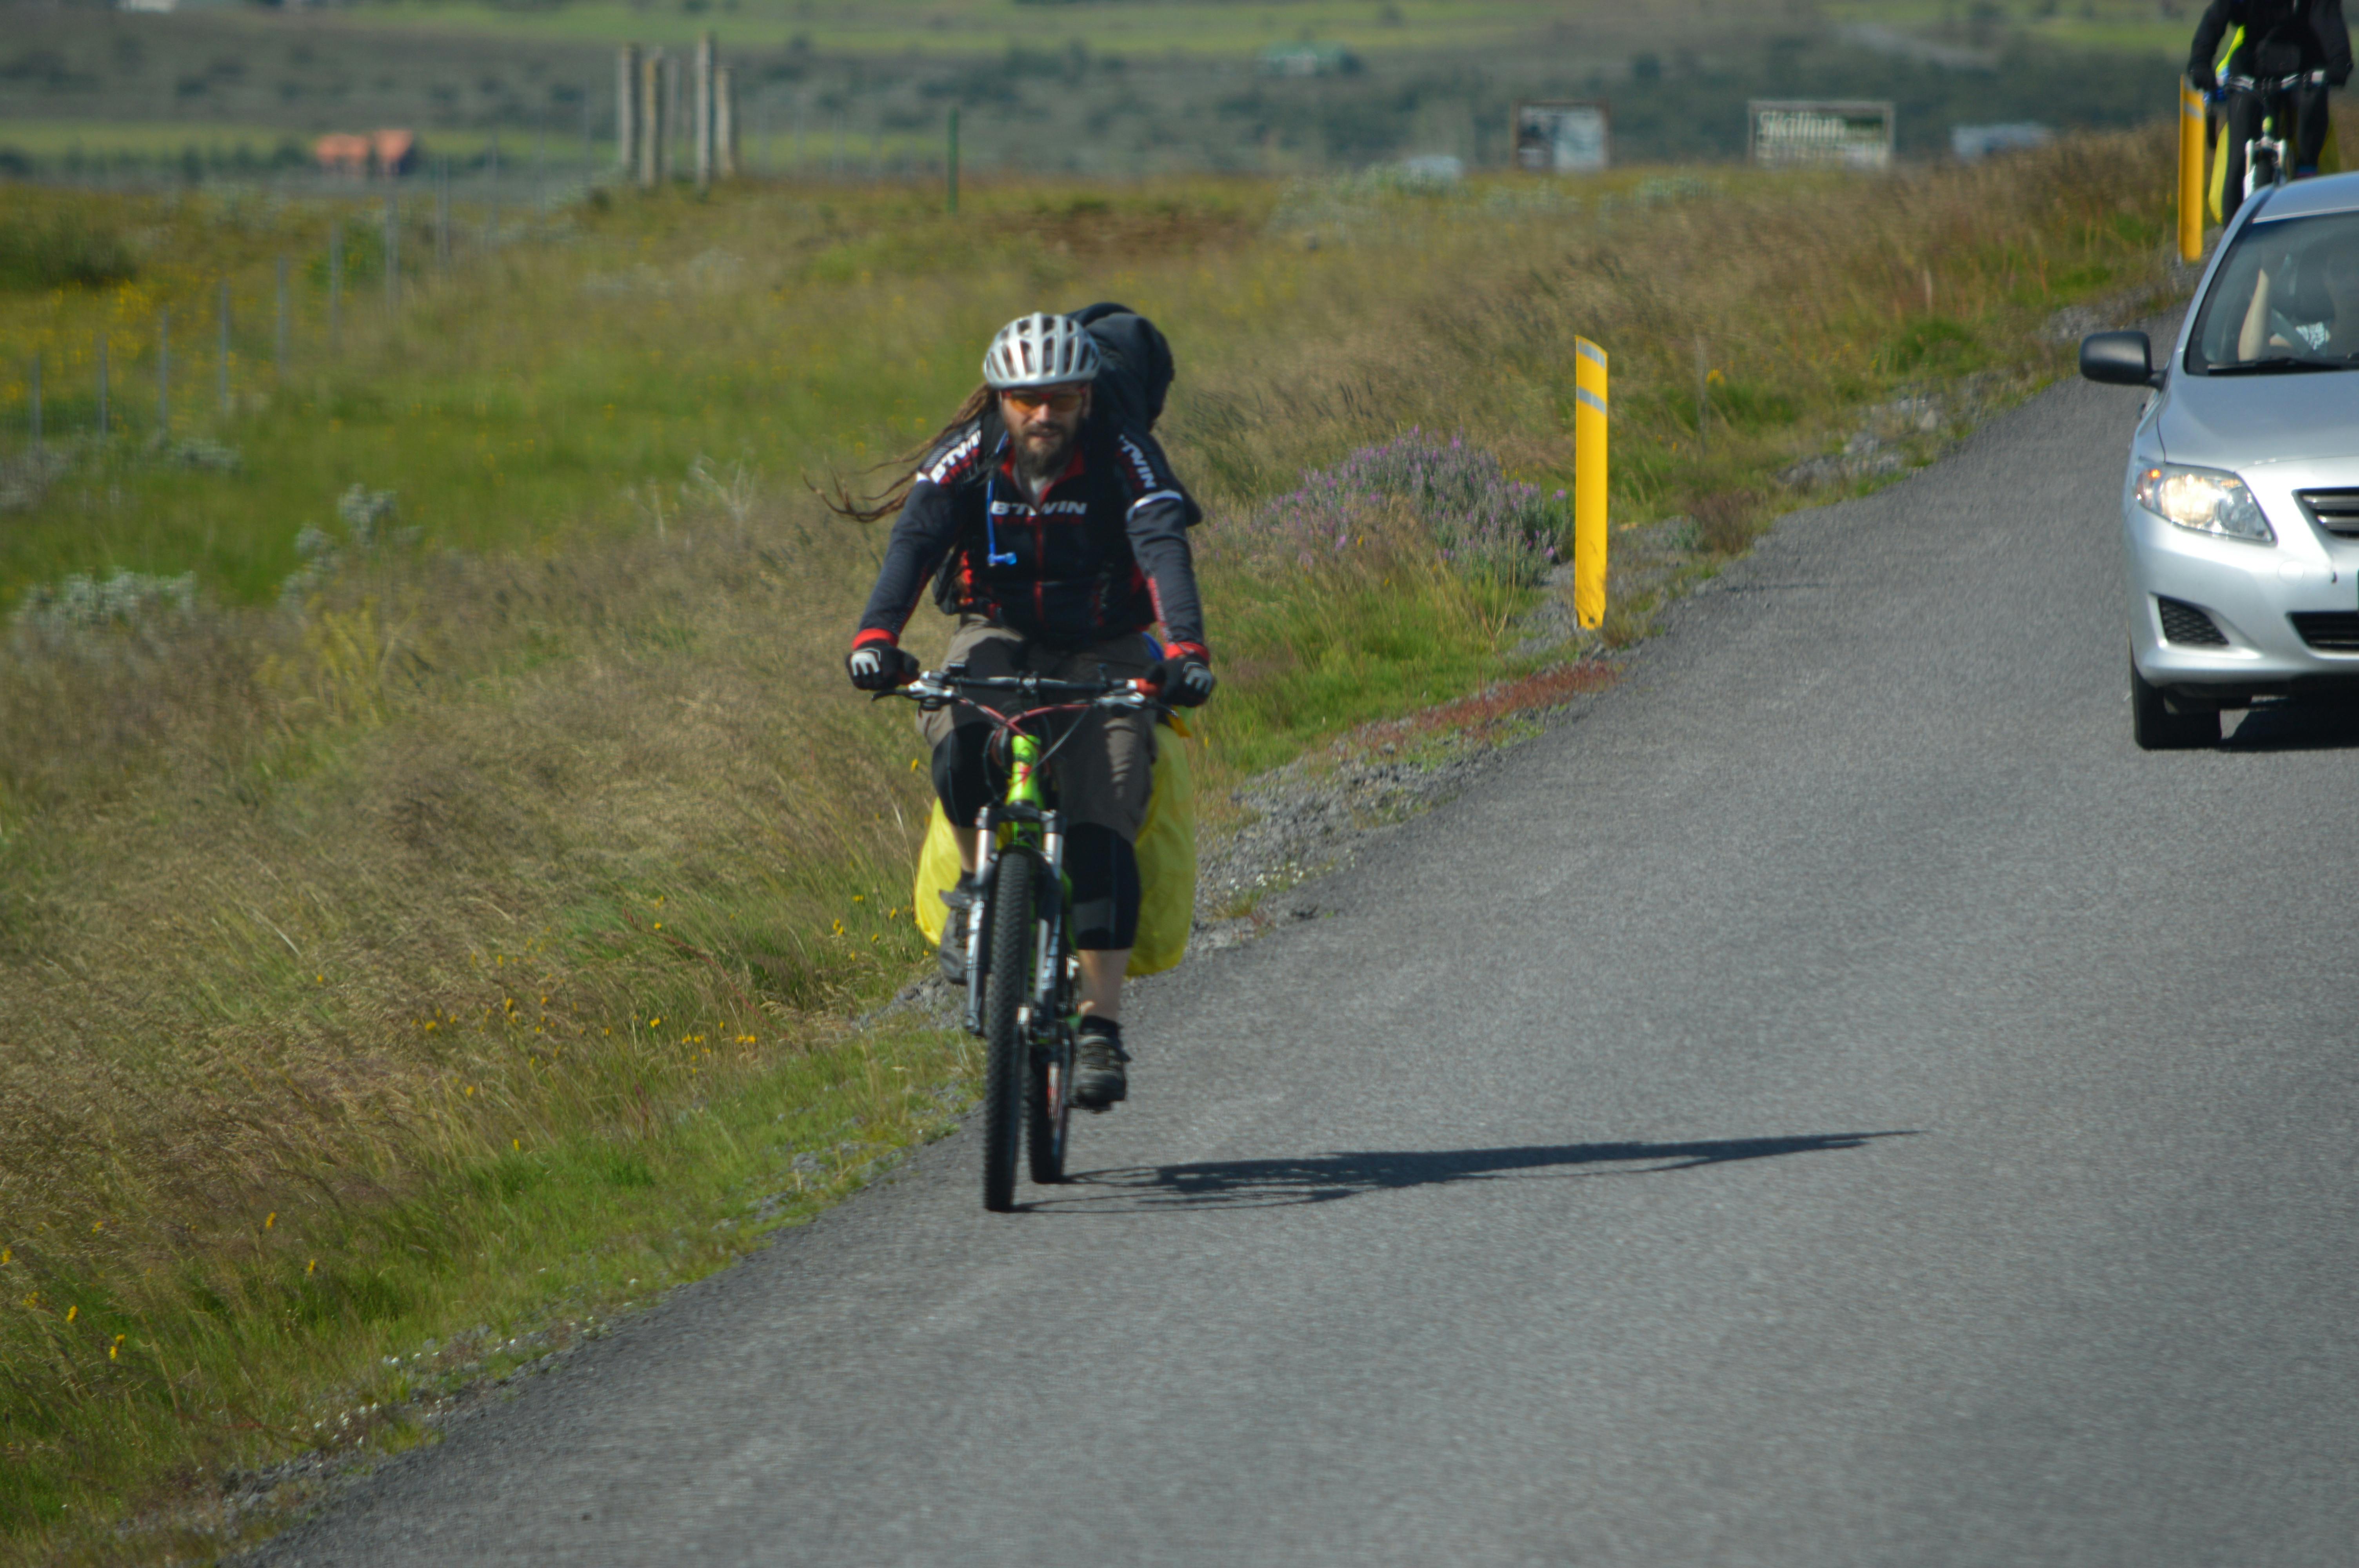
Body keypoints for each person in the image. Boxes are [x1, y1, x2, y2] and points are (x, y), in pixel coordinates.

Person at [841, 311, 1214, 1111]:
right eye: (1024, 400)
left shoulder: (1123, 452)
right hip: (995, 631)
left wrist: (1184, 648)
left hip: (1104, 642)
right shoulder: (971, 453)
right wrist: (877, 634)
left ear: (1085, 396)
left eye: (1060, 399)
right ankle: (979, 897)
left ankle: (1099, 1029)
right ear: (1000, 399)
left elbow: (1160, 546)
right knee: (958, 731)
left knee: (1105, 801)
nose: (1042, 414)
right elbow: (914, 539)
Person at [2190, 0, 2353, 220]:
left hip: (2303, 64)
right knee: (2237, 159)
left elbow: (2329, 22)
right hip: (2254, 65)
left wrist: (2340, 62)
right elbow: (2217, 16)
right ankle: (2233, 238)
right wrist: (2200, 63)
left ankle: (2307, 176)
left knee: (2311, 104)